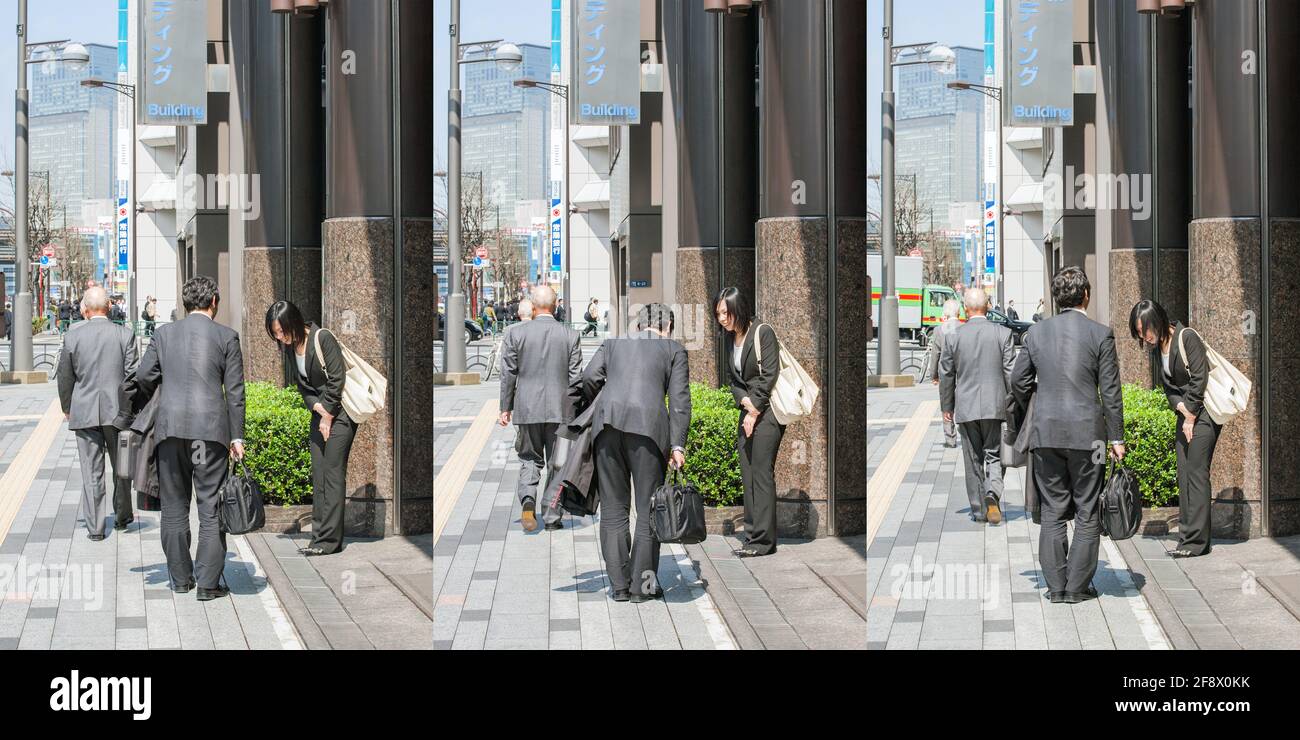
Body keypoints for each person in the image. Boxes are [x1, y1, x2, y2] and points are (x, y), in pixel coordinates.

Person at [124, 276, 246, 601]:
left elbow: (144, 378)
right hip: (211, 435)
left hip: (171, 431)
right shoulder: (228, 337)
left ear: (185, 303)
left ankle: (180, 579)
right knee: (210, 507)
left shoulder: (163, 334)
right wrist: (238, 437)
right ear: (214, 302)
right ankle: (208, 584)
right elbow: (235, 393)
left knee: (174, 507)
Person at [1011, 266, 1124, 604]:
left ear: (1056, 298)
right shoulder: (1100, 334)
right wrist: (1117, 438)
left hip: (1045, 434)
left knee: (1053, 510)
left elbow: (1018, 381)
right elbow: (1111, 392)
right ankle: (1077, 588)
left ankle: (1056, 587)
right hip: (1089, 436)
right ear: (1086, 295)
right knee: (1088, 509)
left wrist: (1036, 403)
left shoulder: (1035, 333)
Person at [577, 303, 690, 601]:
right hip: (649, 432)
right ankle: (642, 586)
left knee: (613, 509)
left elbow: (589, 377)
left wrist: (603, 401)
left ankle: (619, 586)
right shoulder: (674, 350)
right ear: (668, 327)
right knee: (648, 508)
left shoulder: (613, 343)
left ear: (639, 325)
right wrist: (678, 444)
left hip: (607, 427)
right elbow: (679, 401)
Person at [266, 300, 358, 556]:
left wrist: (327, 415)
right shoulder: (290, 347)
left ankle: (330, 542)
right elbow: (303, 386)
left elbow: (337, 379)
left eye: (282, 331)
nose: (279, 337)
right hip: (320, 412)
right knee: (318, 473)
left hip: (342, 413)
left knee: (332, 472)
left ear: (294, 322)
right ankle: (317, 536)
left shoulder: (322, 338)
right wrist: (318, 410)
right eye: (275, 333)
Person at [1130, 299, 1219, 558]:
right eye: (1138, 332)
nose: (1143, 336)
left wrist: (1190, 415)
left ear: (1157, 321)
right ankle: (1186, 537)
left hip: (1204, 414)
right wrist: (1181, 409)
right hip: (1185, 413)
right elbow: (1169, 387)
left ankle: (1198, 543)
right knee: (1184, 473)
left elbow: (1199, 378)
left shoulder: (1186, 337)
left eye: (1144, 329)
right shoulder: (1158, 348)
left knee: (1196, 473)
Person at [498, 285, 582, 532]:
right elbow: (576, 378)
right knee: (558, 463)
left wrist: (505, 407)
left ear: (533, 307)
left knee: (529, 459)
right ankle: (552, 517)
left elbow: (508, 373)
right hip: (561, 411)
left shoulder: (516, 334)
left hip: (527, 409)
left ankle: (527, 502)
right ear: (555, 307)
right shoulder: (570, 336)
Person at [57, 287, 137, 540]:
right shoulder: (125, 335)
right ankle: (123, 517)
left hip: (84, 411)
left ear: (84, 309)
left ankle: (95, 528)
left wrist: (68, 408)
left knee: (91, 470)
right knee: (122, 467)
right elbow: (133, 378)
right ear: (109, 307)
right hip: (118, 413)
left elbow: (65, 377)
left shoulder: (72, 337)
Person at [715, 287, 785, 557]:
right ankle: (752, 535)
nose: (722, 318)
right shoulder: (730, 339)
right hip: (747, 410)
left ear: (738, 308)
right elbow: (733, 380)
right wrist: (744, 403)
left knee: (761, 473)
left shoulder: (762, 332)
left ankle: (764, 542)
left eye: (725, 312)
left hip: (767, 413)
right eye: (718, 313)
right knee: (747, 473)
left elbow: (769, 374)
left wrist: (754, 409)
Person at [940, 288, 1015, 524]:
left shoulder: (954, 337)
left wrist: (947, 407)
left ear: (965, 308)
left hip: (966, 406)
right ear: (988, 306)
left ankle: (979, 510)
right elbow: (1010, 373)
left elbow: (946, 374)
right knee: (994, 453)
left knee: (972, 459)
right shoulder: (1003, 333)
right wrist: (1013, 403)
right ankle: (993, 491)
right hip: (995, 405)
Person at [927, 298, 964, 448]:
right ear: (958, 312)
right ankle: (965, 431)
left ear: (945, 313)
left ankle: (950, 438)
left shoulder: (939, 330)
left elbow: (935, 354)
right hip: (963, 372)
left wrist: (934, 374)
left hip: (945, 372)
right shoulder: (964, 327)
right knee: (962, 401)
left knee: (946, 404)